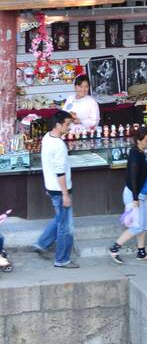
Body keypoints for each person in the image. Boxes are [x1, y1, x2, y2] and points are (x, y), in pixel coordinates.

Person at [32, 110, 77, 269]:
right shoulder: (59, 145)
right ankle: (62, 259)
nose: (69, 127)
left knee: (60, 219)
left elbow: (48, 165)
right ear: (58, 124)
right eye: (67, 124)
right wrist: (65, 194)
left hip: (52, 187)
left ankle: (42, 243)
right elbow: (60, 172)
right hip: (60, 190)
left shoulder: (47, 137)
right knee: (66, 227)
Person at [108, 129, 147, 263]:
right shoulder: (135, 155)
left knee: (145, 224)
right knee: (137, 225)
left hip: (142, 193)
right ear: (138, 141)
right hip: (135, 194)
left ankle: (141, 252)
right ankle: (114, 248)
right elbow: (132, 176)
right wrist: (135, 198)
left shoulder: (141, 153)